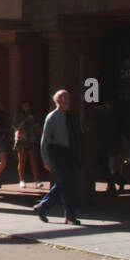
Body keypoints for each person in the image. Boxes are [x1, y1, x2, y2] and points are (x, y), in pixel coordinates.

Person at [36, 89, 83, 225]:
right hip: (57, 153)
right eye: (64, 99)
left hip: (69, 153)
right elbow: (45, 140)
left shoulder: (71, 116)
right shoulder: (52, 117)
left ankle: (43, 207)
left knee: (66, 183)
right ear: (58, 101)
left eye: (68, 98)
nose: (67, 101)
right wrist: (46, 160)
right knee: (67, 183)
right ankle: (70, 216)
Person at [95, 101, 128, 194]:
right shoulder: (113, 116)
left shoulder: (107, 116)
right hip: (110, 146)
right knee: (109, 167)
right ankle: (115, 183)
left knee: (105, 167)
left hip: (106, 146)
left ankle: (117, 182)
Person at [13, 101, 43, 188]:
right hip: (22, 139)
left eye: (28, 105)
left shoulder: (33, 114)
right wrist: (25, 121)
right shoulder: (18, 115)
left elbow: (38, 127)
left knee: (33, 159)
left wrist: (33, 122)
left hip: (32, 139)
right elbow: (16, 127)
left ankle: (37, 180)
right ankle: (21, 180)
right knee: (22, 160)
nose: (26, 107)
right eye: (25, 105)